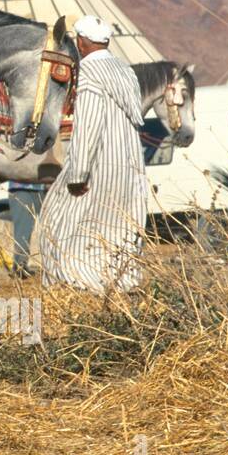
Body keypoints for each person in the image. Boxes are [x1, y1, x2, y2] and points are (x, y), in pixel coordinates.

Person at [37, 15, 147, 292]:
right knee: (120, 227)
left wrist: (78, 174)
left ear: (81, 43)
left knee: (60, 216)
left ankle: (79, 282)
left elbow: (89, 125)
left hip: (99, 167)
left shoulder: (88, 73)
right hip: (129, 167)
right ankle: (122, 281)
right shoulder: (126, 71)